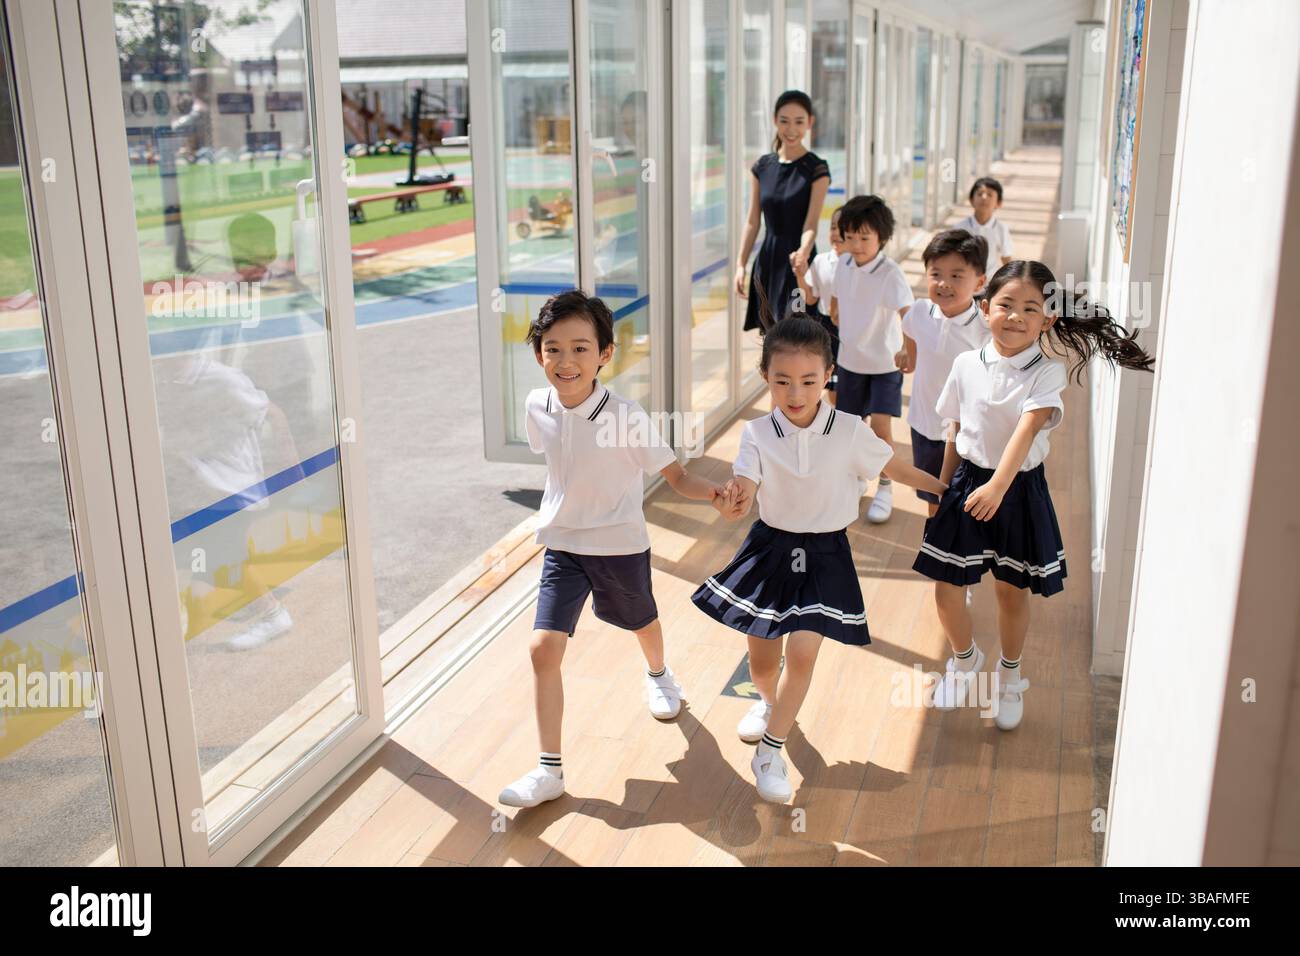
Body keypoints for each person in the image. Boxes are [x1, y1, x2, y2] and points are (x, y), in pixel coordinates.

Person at [692, 316, 947, 803]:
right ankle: (769, 704)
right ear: (765, 375)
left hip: (826, 553)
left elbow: (890, 464)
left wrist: (942, 491)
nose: (795, 392)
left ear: (829, 374)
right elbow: (743, 486)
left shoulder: (849, 430)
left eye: (809, 380)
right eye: (782, 380)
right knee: (764, 665)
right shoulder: (756, 434)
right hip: (769, 549)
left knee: (804, 655)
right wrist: (732, 500)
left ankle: (770, 751)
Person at [499, 291, 728, 809]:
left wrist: (715, 495)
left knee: (640, 621)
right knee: (542, 650)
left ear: (605, 354)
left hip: (620, 546)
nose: (566, 360)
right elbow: (557, 459)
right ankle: (549, 770)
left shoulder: (626, 417)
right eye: (553, 349)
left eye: (581, 348)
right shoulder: (538, 405)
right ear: (539, 355)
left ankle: (658, 673)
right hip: (562, 544)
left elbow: (678, 475)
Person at [913, 261, 1154, 730]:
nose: (1015, 316)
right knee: (945, 585)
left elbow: (1027, 431)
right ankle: (965, 659)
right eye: (1005, 305)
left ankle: (1010, 675)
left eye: (1030, 308)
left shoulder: (1049, 373)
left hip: (1017, 489)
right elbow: (953, 429)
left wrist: (998, 487)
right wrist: (942, 489)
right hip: (967, 482)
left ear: (1048, 319)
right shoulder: (965, 365)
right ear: (985, 309)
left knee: (1009, 591)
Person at [828, 194, 915, 523]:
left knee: (880, 431)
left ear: (882, 237)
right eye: (850, 237)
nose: (857, 244)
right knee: (850, 428)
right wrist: (836, 312)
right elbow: (836, 297)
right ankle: (855, 480)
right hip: (850, 362)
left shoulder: (890, 273)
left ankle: (886, 487)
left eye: (865, 237)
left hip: (883, 365)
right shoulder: (843, 264)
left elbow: (909, 313)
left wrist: (908, 348)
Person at [895, 228, 991, 517]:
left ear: (980, 282)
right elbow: (908, 328)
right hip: (924, 424)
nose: (944, 283)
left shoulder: (984, 329)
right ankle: (935, 539)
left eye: (956, 276)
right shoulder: (921, 311)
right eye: (936, 273)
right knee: (933, 494)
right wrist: (908, 354)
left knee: (965, 497)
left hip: (967, 432)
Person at [735, 90, 831, 332]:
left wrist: (803, 254)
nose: (791, 129)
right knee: (771, 339)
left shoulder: (816, 169)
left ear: (810, 122)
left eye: (799, 122)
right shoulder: (762, 167)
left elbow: (811, 224)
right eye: (784, 121)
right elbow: (752, 222)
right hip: (768, 262)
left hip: (798, 262)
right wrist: (740, 264)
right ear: (774, 120)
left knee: (798, 337)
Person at [792, 205, 844, 403]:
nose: (836, 233)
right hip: (827, 331)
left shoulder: (856, 265)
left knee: (851, 387)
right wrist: (799, 274)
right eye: (832, 227)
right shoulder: (821, 260)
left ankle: (856, 423)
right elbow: (810, 298)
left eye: (843, 229)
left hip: (852, 331)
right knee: (834, 389)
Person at [956, 177, 1014, 283]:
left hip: (990, 284)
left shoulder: (1001, 228)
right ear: (971, 200)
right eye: (979, 193)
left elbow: (1006, 259)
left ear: (998, 203)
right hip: (964, 284)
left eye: (990, 194)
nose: (984, 197)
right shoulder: (959, 227)